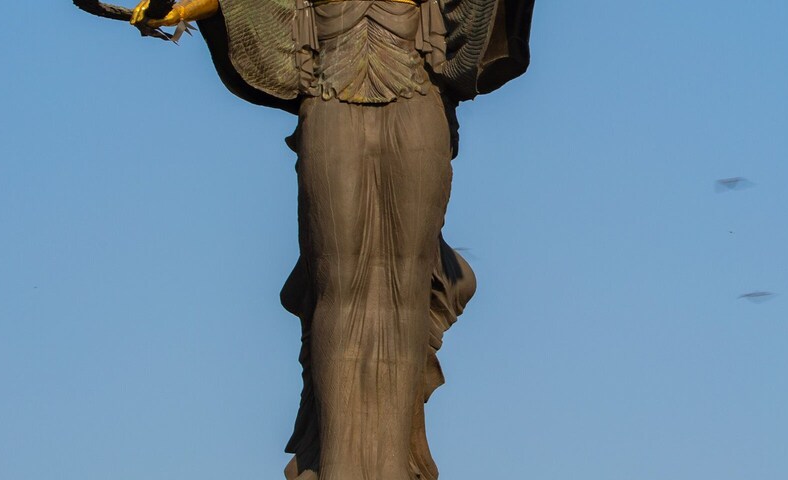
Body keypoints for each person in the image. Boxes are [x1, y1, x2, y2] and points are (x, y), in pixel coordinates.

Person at [126, 1, 532, 478]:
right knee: (337, 288)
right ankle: (340, 465)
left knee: (406, 290)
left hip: (418, 82)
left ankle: (391, 466)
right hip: (328, 86)